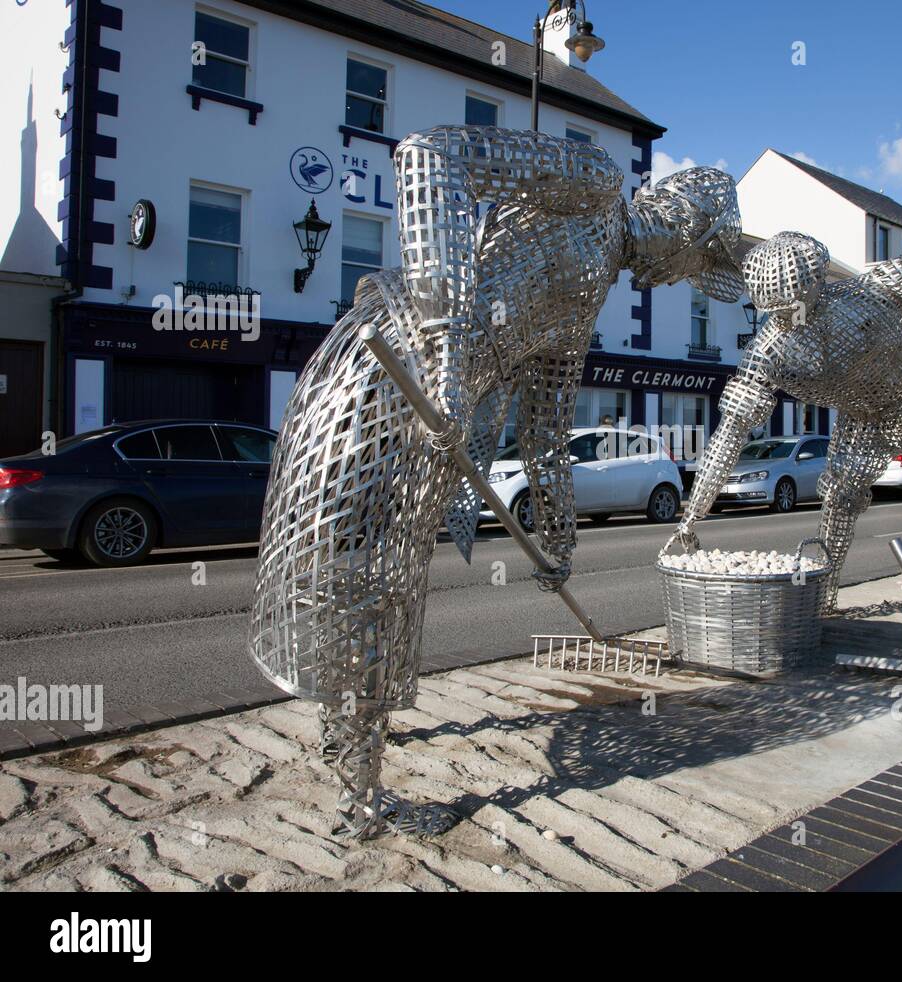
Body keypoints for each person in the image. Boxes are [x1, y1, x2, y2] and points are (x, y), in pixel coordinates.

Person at [249, 126, 744, 838]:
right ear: (685, 228)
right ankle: (357, 800)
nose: (675, 280)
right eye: (692, 263)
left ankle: (352, 766)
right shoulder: (594, 180)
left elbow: (546, 432)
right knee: (352, 585)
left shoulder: (585, 301)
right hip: (387, 367)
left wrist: (559, 541)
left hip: (429, 414)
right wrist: (451, 364)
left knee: (379, 592)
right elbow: (428, 156)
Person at [668, 230, 902, 621]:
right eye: (776, 310)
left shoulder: (877, 288)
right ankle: (823, 604)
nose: (788, 320)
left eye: (793, 305)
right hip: (861, 422)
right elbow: (729, 434)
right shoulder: (769, 350)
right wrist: (692, 515)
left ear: (815, 282)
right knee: (838, 504)